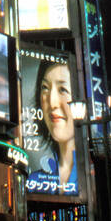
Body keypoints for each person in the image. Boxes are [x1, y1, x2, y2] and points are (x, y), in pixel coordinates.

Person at [26, 61, 78, 193]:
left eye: (63, 90)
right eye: (45, 88)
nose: (52, 102)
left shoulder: (92, 174)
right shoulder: (35, 182)